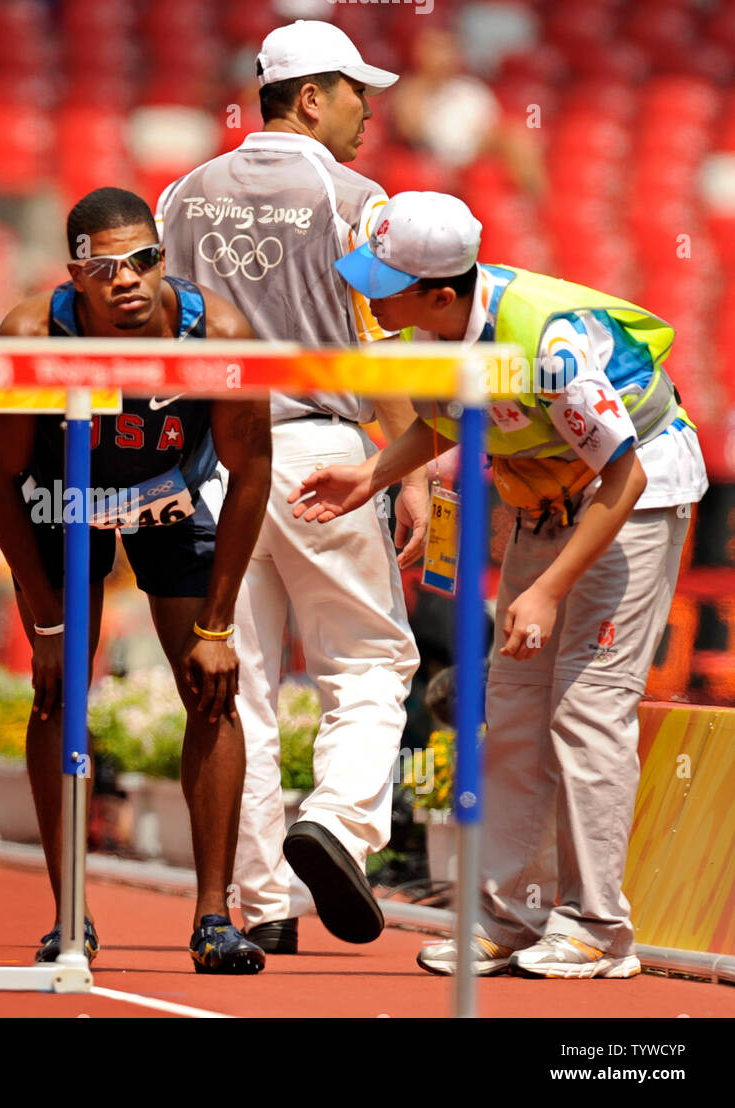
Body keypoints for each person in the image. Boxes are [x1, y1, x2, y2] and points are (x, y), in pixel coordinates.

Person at [296, 190, 708, 978]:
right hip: (545, 500)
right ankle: (509, 916)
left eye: (382, 280)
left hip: (635, 494)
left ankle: (597, 928)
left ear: (439, 293)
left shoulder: (544, 343)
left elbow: (620, 477)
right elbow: (444, 421)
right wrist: (370, 475)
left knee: (585, 710)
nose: (367, 292)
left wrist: (548, 588)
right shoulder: (436, 334)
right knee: (512, 705)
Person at [155, 19, 428, 953]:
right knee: (372, 663)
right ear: (311, 98)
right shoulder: (355, 198)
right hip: (322, 454)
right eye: (359, 94)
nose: (369, 113)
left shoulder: (180, 195)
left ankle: (264, 899)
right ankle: (342, 826)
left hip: (209, 462)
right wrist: (411, 468)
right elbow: (383, 341)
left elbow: (157, 340)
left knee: (247, 685)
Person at [0, 187, 273, 974]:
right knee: (59, 691)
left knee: (212, 687)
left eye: (143, 260)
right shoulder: (34, 333)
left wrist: (217, 627)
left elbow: (252, 473)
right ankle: (70, 912)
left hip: (170, 497)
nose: (129, 280)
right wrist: (45, 625)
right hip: (61, 500)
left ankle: (215, 916)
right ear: (75, 274)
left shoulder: (221, 334)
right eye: (106, 268)